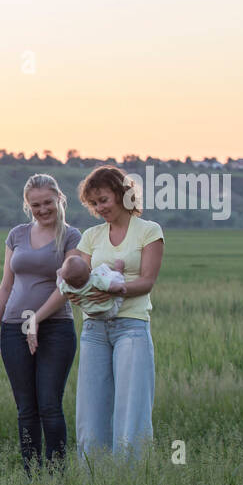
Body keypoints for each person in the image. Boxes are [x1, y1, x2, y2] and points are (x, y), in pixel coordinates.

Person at [0, 174, 82, 472]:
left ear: (59, 199)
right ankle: (32, 475)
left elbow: (67, 287)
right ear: (28, 206)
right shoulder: (16, 234)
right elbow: (6, 286)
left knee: (50, 405)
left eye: (47, 203)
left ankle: (56, 476)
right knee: (26, 409)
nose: (42, 209)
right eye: (35, 205)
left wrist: (37, 320)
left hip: (55, 329)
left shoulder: (71, 236)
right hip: (15, 328)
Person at [69, 165, 165, 459]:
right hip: (94, 330)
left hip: (131, 327)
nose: (100, 208)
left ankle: (131, 479)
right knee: (91, 409)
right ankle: (93, 480)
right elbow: (77, 275)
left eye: (104, 199)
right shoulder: (91, 236)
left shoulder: (149, 231)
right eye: (94, 203)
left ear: (123, 194)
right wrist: (76, 292)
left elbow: (147, 282)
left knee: (131, 408)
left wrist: (115, 289)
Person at [57, 256, 126, 319]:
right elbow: (111, 287)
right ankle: (119, 270)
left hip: (91, 314)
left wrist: (59, 275)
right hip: (109, 311)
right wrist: (120, 287)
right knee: (112, 278)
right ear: (89, 270)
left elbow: (59, 284)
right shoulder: (95, 280)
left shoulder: (66, 286)